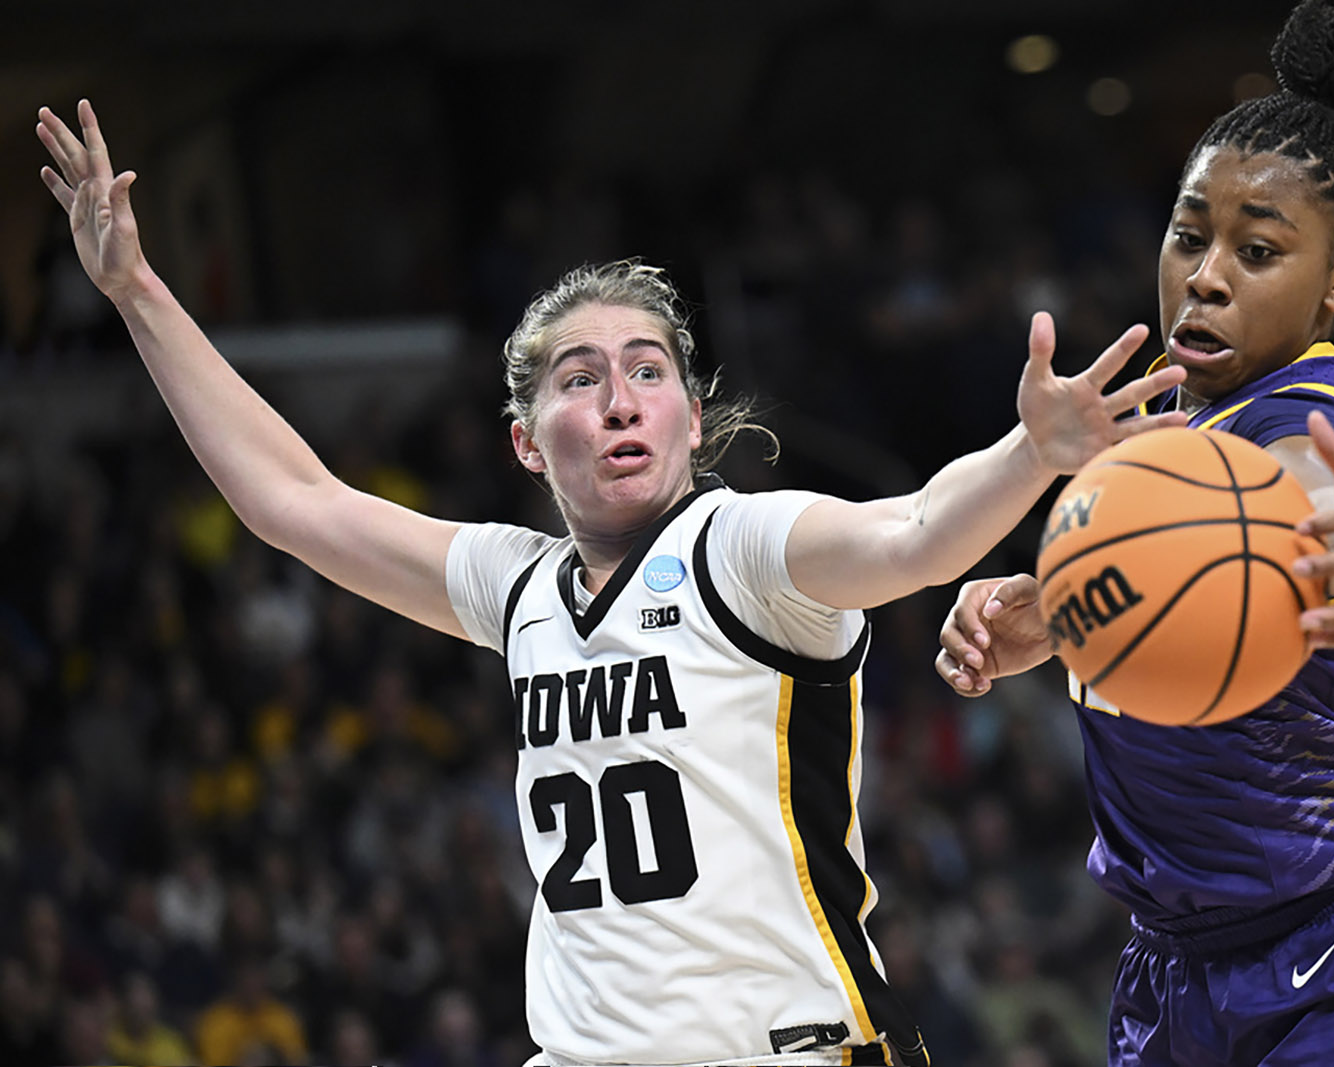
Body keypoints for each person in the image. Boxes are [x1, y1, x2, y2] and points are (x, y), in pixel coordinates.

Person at [34, 102, 1196, 1066]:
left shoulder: (743, 550)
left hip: (779, 1049)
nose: (623, 396)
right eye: (581, 379)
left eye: (649, 371)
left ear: (693, 415)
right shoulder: (516, 585)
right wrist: (136, 287)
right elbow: (296, 502)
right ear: (529, 442)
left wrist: (1030, 452)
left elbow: (914, 531)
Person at [934, 1, 1334, 1064]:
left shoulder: (1311, 402)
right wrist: (1053, 615)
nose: (1205, 273)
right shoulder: (1157, 448)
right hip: (1174, 981)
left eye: (1257, 249)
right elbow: (1168, 615)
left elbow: (1300, 490)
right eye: (1187, 233)